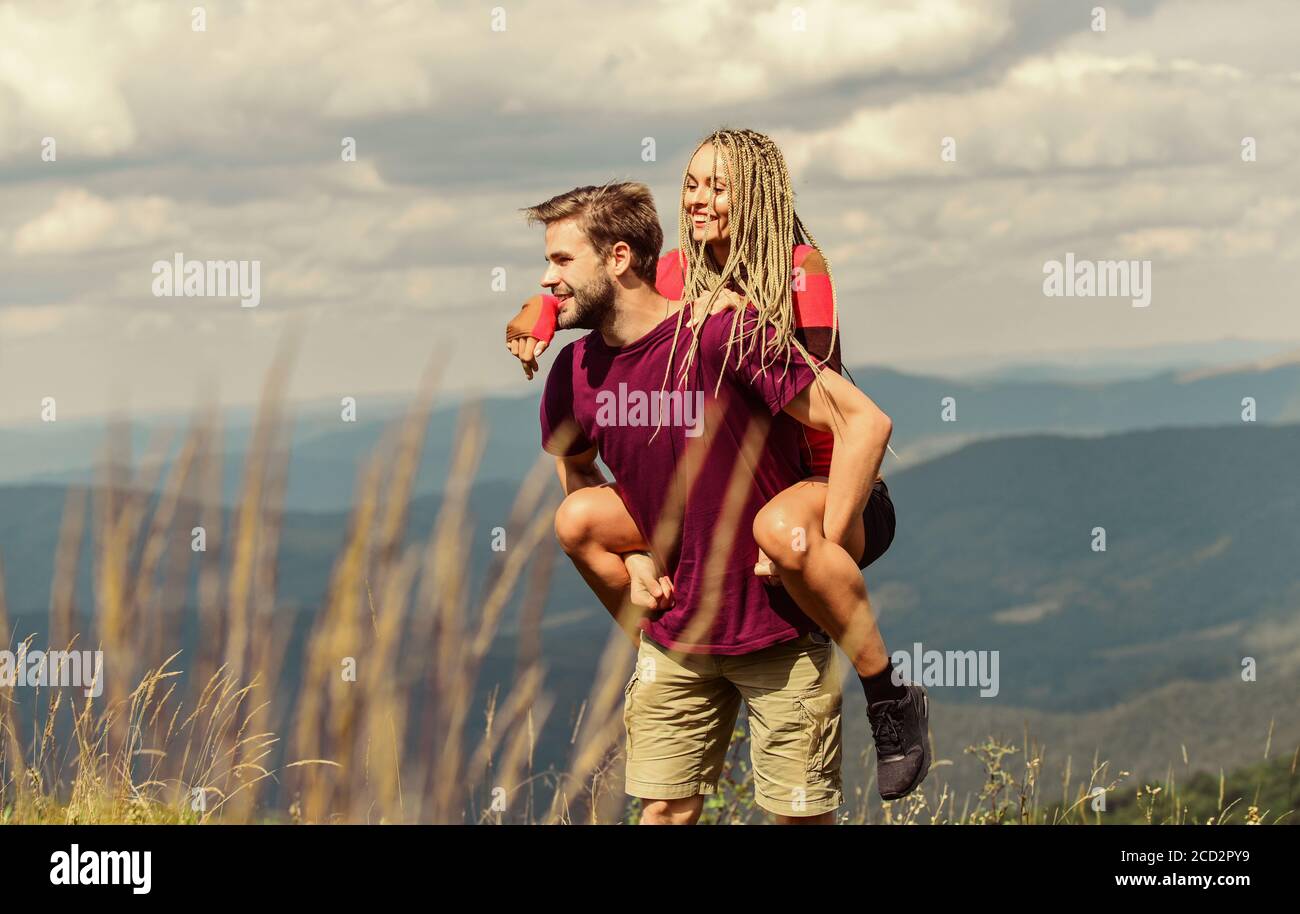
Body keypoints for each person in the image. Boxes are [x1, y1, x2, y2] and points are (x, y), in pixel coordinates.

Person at [511, 130, 929, 802]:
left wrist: (742, 314)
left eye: (718, 185)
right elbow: (617, 299)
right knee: (581, 515)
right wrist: (535, 320)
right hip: (744, 505)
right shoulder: (674, 272)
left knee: (784, 533)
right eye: (692, 184)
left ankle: (888, 697)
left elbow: (823, 391)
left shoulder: (800, 268)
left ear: (756, 195)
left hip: (824, 483)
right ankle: (666, 638)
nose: (699, 198)